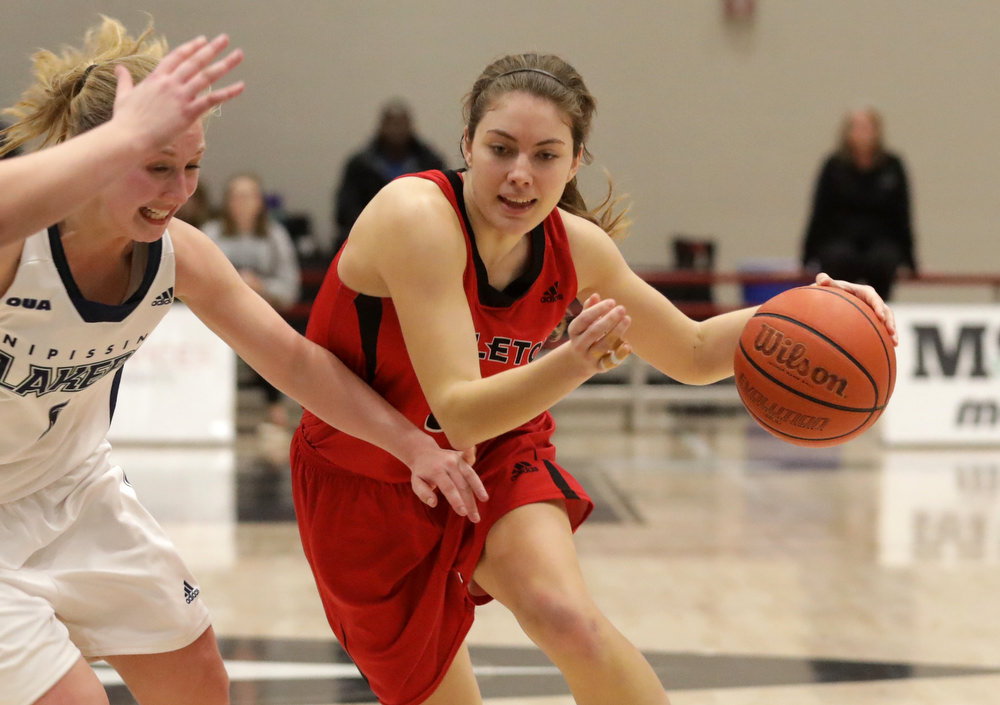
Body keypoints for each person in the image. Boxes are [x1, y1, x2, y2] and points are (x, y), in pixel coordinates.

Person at [292, 53, 898, 705]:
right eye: (501, 148)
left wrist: (816, 308)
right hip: (367, 475)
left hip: (494, 452)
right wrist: (575, 359)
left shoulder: (575, 247)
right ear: (466, 144)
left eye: (546, 155)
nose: (520, 173)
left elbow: (694, 352)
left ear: (575, 160)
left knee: (568, 619)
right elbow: (458, 411)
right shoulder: (416, 217)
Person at [0, 17, 485, 705]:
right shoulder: (20, 246)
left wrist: (412, 445)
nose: (178, 190)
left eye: (192, 166)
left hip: (75, 489)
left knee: (200, 682)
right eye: (156, 165)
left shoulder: (180, 254)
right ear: (96, 152)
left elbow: (294, 360)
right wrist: (123, 136)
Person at [203, 172, 301, 433]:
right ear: (227, 201)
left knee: (263, 337)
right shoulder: (211, 232)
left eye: (248, 196)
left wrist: (260, 286)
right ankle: (209, 410)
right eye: (236, 196)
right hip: (217, 314)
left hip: (261, 310)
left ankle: (275, 407)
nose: (242, 202)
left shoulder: (275, 235)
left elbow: (289, 284)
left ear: (259, 201)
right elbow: (197, 276)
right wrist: (232, 284)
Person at [801, 106, 918, 300]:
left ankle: (878, 309)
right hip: (841, 240)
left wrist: (911, 260)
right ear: (846, 132)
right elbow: (819, 212)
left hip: (880, 242)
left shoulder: (892, 166)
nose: (862, 133)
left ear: (877, 131)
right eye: (856, 127)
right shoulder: (833, 166)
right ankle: (838, 307)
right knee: (838, 258)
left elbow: (902, 213)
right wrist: (806, 257)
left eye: (867, 127)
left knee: (884, 260)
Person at [332, 98, 446, 253]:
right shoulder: (359, 165)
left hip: (420, 241)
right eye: (392, 123)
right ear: (382, 126)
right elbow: (345, 211)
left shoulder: (430, 162)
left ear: (410, 126)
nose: (397, 129)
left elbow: (443, 207)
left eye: (401, 123)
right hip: (370, 241)